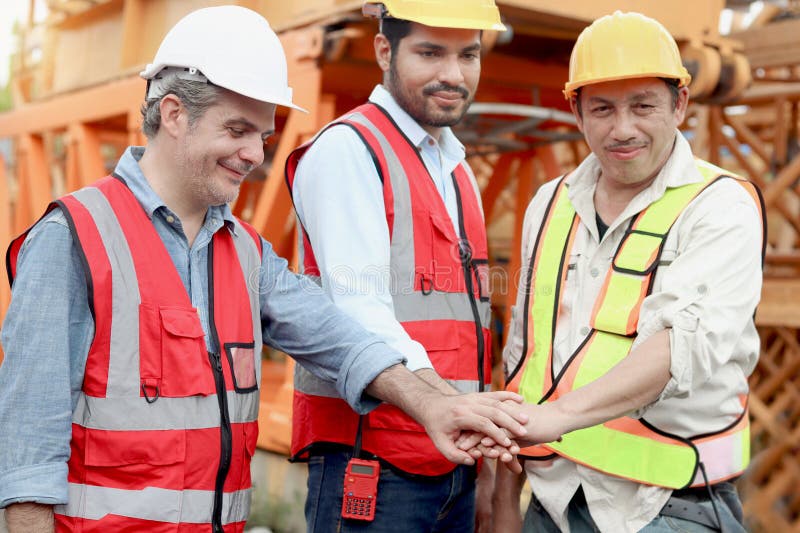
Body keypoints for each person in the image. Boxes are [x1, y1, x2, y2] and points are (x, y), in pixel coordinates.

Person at [0, 6, 530, 533]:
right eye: (237, 130)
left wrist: (433, 406)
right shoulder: (73, 237)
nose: (255, 154)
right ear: (173, 114)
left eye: (263, 135)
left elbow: (341, 342)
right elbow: (28, 452)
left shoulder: (247, 253)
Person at [490, 10, 766, 533]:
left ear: (679, 104)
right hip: (551, 500)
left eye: (643, 106)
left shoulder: (720, 206)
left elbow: (681, 345)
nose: (623, 129)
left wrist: (557, 418)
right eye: (603, 108)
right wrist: (505, 496)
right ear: (576, 110)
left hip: (668, 503)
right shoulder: (551, 204)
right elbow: (525, 354)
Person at [284, 0, 508, 530]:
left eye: (468, 55)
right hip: (375, 464)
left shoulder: (456, 170)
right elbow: (358, 313)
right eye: (430, 53)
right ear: (384, 50)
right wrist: (454, 410)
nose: (452, 74)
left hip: (451, 459)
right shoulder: (349, 150)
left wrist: (478, 453)